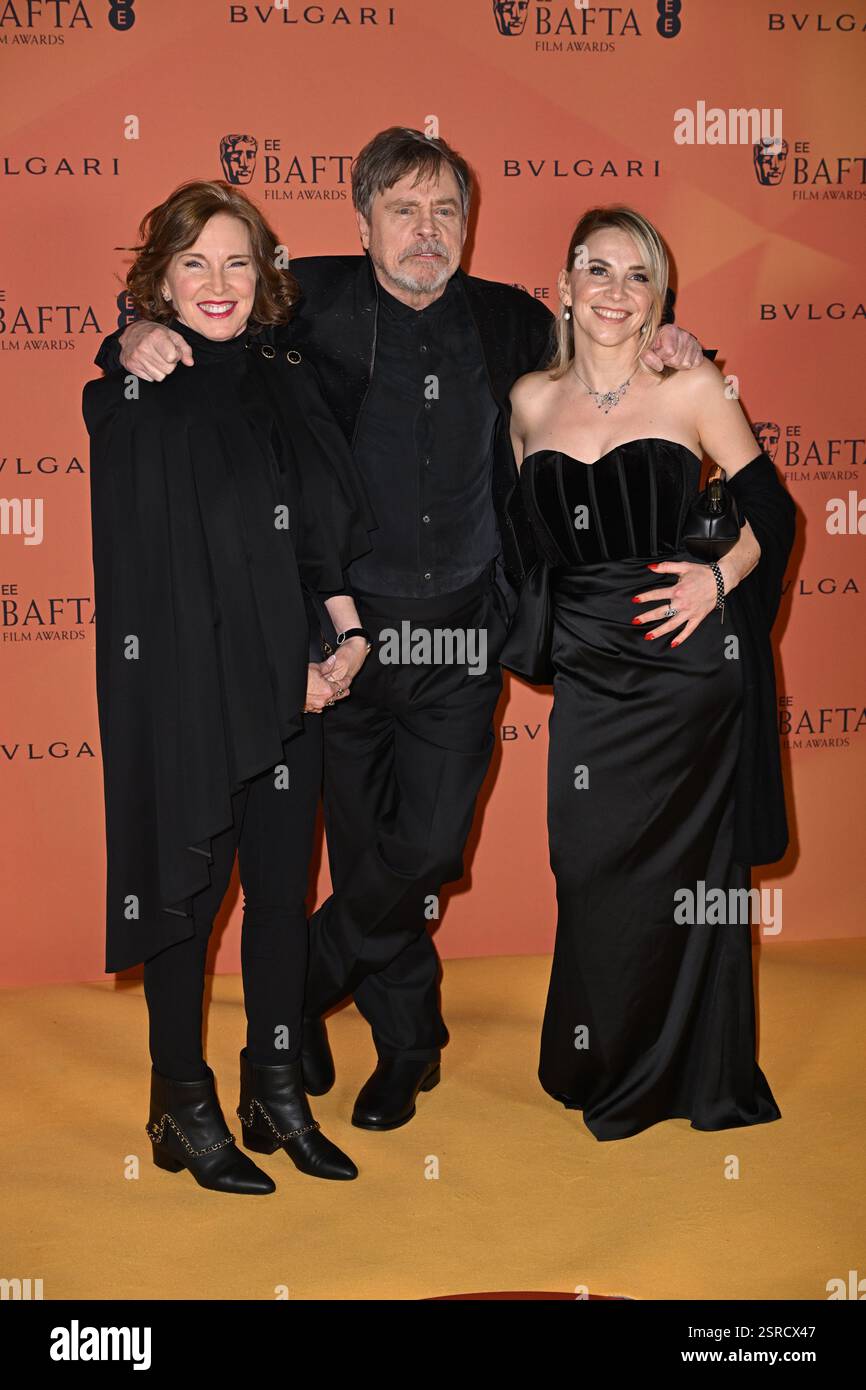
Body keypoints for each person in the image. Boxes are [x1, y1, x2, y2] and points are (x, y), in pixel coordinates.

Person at [93, 129, 704, 1133]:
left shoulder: (508, 319)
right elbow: (194, 294)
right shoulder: (309, 299)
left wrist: (671, 343)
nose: (426, 232)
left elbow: (607, 334)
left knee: (418, 853)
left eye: (445, 212)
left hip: (460, 638)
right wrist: (125, 336)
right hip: (339, 645)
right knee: (370, 848)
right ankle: (408, 1049)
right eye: (403, 210)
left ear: (467, 225)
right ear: (362, 217)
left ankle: (287, 1000)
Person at [83, 180, 376, 1192]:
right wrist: (125, 343)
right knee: (186, 896)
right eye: (194, 263)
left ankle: (273, 1088)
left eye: (238, 261)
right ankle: (180, 1101)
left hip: (300, 677)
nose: (218, 283)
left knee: (284, 902)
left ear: (267, 273)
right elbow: (170, 575)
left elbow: (317, 531)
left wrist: (344, 631)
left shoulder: (288, 373)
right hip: (196, 689)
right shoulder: (135, 389)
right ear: (158, 279)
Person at [501, 205, 795, 1140]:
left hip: (686, 673)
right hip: (592, 674)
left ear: (657, 295)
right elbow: (529, 548)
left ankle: (686, 1076)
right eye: (598, 271)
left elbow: (774, 516)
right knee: (588, 867)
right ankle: (603, 1053)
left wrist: (718, 576)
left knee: (686, 878)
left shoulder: (693, 387)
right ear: (564, 285)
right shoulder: (528, 403)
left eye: (638, 277)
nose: (616, 293)